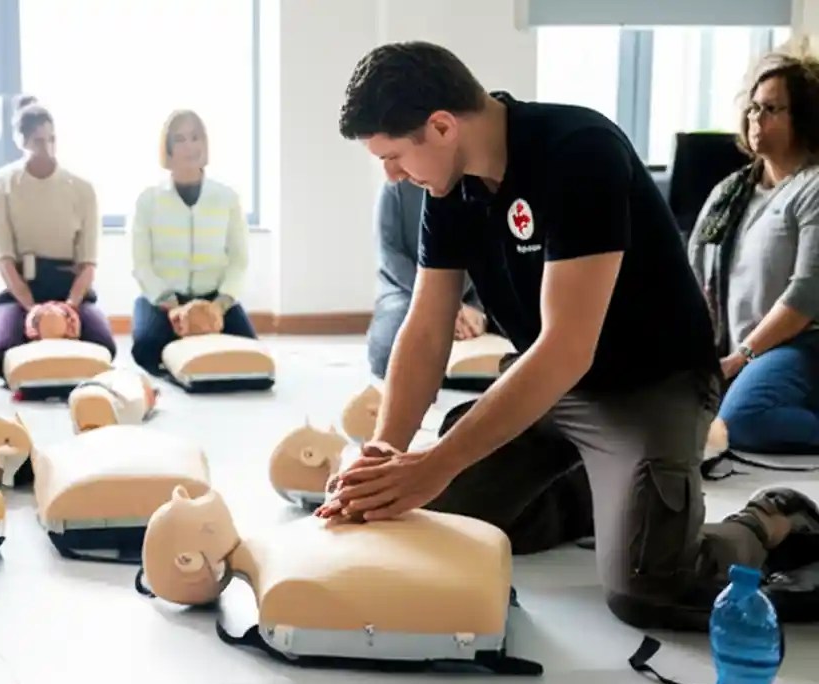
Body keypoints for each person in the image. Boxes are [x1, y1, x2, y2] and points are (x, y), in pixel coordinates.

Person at [320, 41, 819, 631]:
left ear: (442, 125)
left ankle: (773, 517)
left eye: (394, 156)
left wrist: (433, 465)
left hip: (650, 384)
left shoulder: (579, 151)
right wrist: (387, 455)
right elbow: (427, 330)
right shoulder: (448, 188)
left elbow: (567, 348)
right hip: (547, 387)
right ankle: (601, 495)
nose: (393, 175)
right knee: (428, 511)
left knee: (650, 589)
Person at [690, 52, 819, 454]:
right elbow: (692, 272)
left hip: (798, 342)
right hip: (734, 346)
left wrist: (741, 356)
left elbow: (806, 295)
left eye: (772, 109)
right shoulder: (730, 191)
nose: (756, 118)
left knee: (743, 419)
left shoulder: (811, 188)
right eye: (753, 107)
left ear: (804, 116)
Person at [0, 95, 115, 374]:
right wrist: (34, 311)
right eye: (39, 142)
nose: (47, 148)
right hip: (22, 288)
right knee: (1, 353)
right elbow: (3, 260)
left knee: (104, 346)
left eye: (52, 139)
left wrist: (68, 309)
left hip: (70, 289)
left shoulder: (82, 188)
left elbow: (88, 263)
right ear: (21, 141)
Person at [130, 109, 256, 374]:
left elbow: (239, 260)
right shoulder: (148, 200)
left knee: (249, 354)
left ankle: (196, 352)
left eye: (195, 137)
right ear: (168, 149)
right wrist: (174, 309)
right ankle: (182, 359)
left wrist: (218, 307)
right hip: (164, 299)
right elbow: (141, 264)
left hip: (213, 299)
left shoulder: (227, 198)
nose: (190, 146)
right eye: (180, 139)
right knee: (146, 349)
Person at [369, 179, 489, 378]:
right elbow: (390, 255)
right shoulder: (395, 188)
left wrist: (475, 306)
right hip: (405, 290)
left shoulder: (475, 185)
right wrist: (439, 302)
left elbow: (488, 254)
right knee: (390, 345)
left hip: (469, 292)